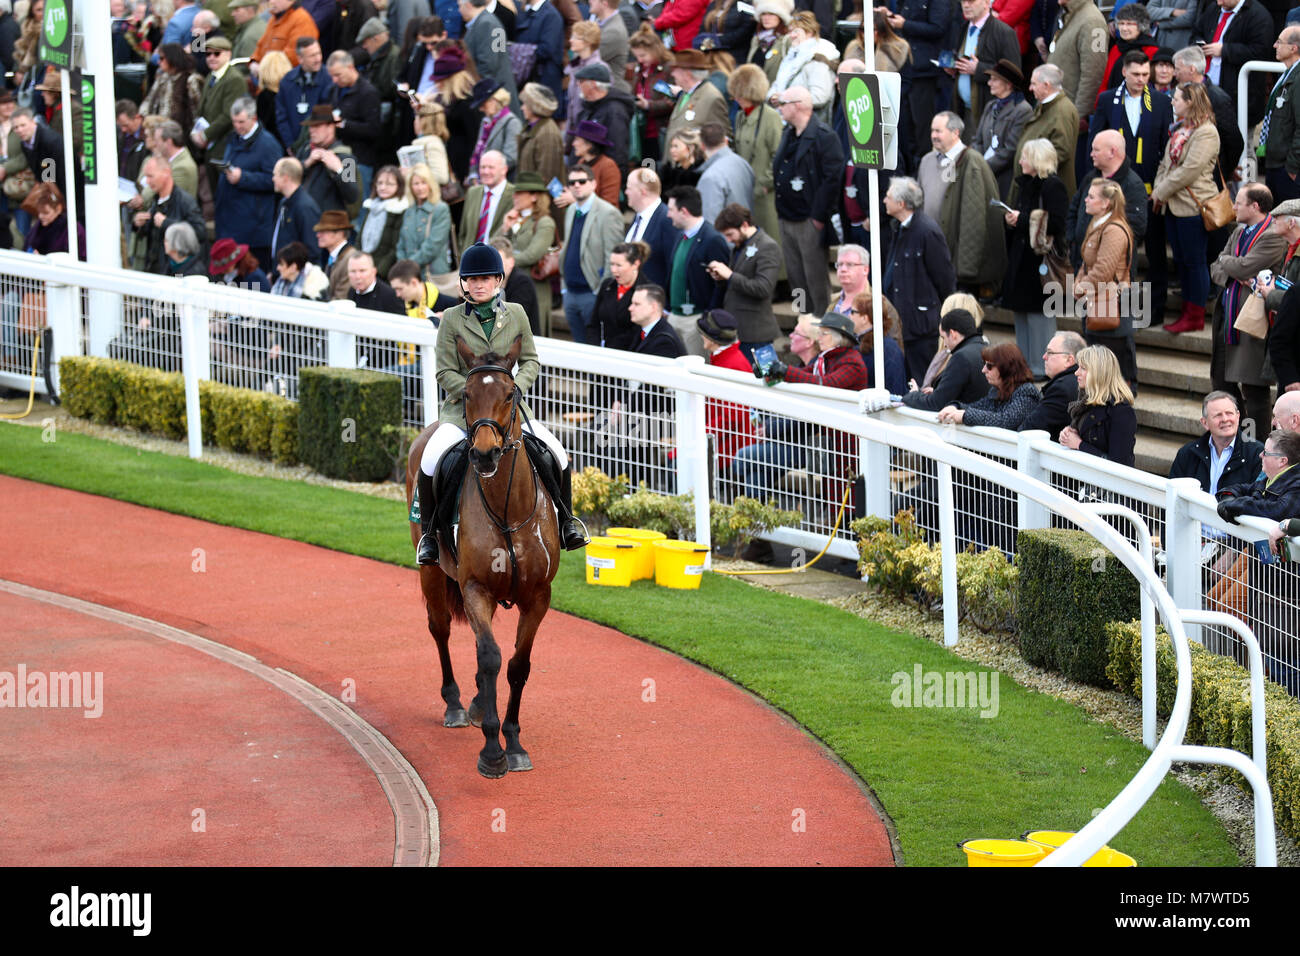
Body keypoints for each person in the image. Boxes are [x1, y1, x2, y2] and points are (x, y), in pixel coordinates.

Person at [413, 241, 588, 566]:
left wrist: (515, 389)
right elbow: (443, 370)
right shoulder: (451, 319)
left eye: (485, 279)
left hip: (510, 409)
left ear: (498, 280)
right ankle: (430, 536)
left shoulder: (517, 313)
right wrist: (474, 394)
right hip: (462, 410)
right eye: (472, 279)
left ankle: (567, 523)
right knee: (431, 458)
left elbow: (532, 361)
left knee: (557, 453)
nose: (478, 285)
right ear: (464, 282)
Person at [1209, 183, 1288, 436]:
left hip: (1253, 322)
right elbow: (1216, 267)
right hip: (1227, 317)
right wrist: (1232, 267)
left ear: (1255, 206)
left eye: (1238, 203)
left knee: (1253, 389)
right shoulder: (1239, 232)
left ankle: (1258, 444)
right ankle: (1236, 439)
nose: (1233, 207)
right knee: (1222, 383)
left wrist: (1231, 264)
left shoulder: (1272, 236)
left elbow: (1243, 267)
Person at [1152, 82, 1220, 334]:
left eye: (1177, 98)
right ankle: (1187, 311)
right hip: (1173, 205)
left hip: (1193, 206)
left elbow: (1189, 171)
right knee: (1181, 260)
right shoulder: (1181, 128)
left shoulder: (1206, 132)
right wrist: (1159, 188)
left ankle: (1195, 315)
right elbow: (1166, 164)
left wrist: (1160, 191)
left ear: (1190, 102)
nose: (1172, 102)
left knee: (1194, 262)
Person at [772, 86, 843, 320]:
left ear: (798, 105)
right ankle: (803, 320)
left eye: (783, 104)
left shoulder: (824, 136)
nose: (779, 108)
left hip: (809, 219)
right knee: (796, 277)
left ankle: (822, 323)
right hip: (787, 216)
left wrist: (818, 217)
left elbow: (833, 178)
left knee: (814, 277)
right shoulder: (788, 133)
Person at [1003, 138, 1068, 379]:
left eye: (1025, 157)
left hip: (1040, 263)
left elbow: (1058, 223)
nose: (1020, 161)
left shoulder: (1052, 186)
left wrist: (1022, 219)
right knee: (1021, 316)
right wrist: (1014, 221)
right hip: (1022, 262)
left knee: (1039, 318)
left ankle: (1042, 367)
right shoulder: (1026, 185)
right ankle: (1026, 366)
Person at [882, 176, 957, 383]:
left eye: (888, 197)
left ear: (901, 204)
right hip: (902, 321)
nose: (883, 201)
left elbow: (945, 278)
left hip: (920, 326)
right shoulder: (898, 227)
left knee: (922, 379)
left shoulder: (927, 231)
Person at [1074, 177, 1139, 389]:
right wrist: (1079, 283)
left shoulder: (1114, 230)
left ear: (1106, 203)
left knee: (1114, 360)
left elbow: (1103, 270)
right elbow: (1087, 263)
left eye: (1091, 196)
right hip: (1097, 301)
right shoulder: (1098, 224)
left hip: (1113, 303)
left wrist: (1079, 288)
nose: (1086, 200)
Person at [559, 163, 624, 344]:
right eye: (572, 182)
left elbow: (614, 257)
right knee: (579, 346)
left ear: (593, 184)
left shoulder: (608, 213)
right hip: (570, 293)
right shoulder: (571, 209)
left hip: (592, 293)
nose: (576, 185)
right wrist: (564, 288)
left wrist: (601, 293)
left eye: (582, 181)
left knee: (595, 347)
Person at [215, 97, 282, 271]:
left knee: (252, 281)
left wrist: (243, 177)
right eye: (234, 122)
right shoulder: (234, 139)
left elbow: (273, 180)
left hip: (253, 229)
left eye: (241, 122)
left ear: (253, 118)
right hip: (231, 222)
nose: (237, 126)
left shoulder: (268, 144)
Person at [708, 203, 781, 362]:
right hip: (739, 331)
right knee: (741, 382)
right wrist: (721, 279)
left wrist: (730, 275)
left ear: (744, 225)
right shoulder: (740, 245)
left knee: (767, 380)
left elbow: (763, 288)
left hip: (757, 333)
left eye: (730, 234)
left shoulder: (768, 246)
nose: (728, 240)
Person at [663, 185, 730, 356]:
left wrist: (706, 318)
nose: (668, 214)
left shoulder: (712, 239)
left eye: (671, 209)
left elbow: (721, 284)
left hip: (696, 320)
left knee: (695, 373)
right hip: (674, 316)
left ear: (684, 211)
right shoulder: (680, 235)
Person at [729, 64, 783, 264]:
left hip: (765, 189)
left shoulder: (770, 117)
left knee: (770, 234)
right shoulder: (742, 116)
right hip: (746, 186)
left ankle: (779, 279)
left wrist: (766, 181)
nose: (736, 98)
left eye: (740, 94)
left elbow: (777, 153)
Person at [1191, 0, 1274, 129]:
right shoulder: (1213, 9)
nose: (1219, 3)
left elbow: (1260, 51)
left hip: (1238, 97)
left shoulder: (1259, 15)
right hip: (1206, 88)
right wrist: (1199, 44)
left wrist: (1225, 50)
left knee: (1239, 145)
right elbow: (1197, 32)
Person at [492, 171, 556, 334]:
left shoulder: (545, 222)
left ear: (534, 196)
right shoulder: (515, 218)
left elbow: (531, 255)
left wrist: (504, 259)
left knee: (532, 332)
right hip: (511, 284)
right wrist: (505, 228)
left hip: (534, 286)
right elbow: (493, 247)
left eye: (520, 193)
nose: (515, 197)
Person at [945, 0, 1022, 132]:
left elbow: (1014, 75)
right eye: (963, 1)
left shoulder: (1004, 32)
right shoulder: (963, 28)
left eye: (971, 1)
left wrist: (978, 69)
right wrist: (954, 69)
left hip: (991, 114)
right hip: (964, 111)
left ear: (987, 3)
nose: (966, 5)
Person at [1169, 391, 1266, 493]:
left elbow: (1257, 501)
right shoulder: (1188, 454)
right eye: (1218, 415)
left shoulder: (1257, 454)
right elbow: (1172, 496)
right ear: (1205, 423)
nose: (1225, 419)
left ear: (1238, 417)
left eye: (1229, 413)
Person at [1008, 64, 1078, 205]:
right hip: (1035, 188)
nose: (1030, 88)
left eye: (1034, 83)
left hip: (1046, 196)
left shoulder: (1062, 112)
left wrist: (1031, 165)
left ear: (1046, 85)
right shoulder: (1045, 106)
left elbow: (1061, 151)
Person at [1058, 344, 1137, 465]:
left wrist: (1079, 444)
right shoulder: (1085, 400)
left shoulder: (1121, 411)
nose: (1076, 373)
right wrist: (1069, 434)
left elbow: (1119, 464)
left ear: (1098, 373)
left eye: (1083, 368)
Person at [937, 342, 1042, 428]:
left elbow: (1007, 421)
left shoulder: (1027, 391)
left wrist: (965, 416)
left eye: (989, 366)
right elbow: (977, 407)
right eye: (984, 364)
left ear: (1007, 368)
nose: (983, 370)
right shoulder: (997, 390)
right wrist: (955, 407)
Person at [901, 308, 988, 411]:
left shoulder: (961, 357)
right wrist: (937, 392)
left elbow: (936, 403)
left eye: (943, 338)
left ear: (953, 334)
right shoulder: (984, 348)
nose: (945, 344)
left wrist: (913, 395)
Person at [133, 156, 207, 275]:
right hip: (154, 269)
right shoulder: (155, 200)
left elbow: (200, 232)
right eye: (146, 176)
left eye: (151, 176)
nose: (147, 181)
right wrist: (138, 224)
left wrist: (166, 223)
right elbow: (153, 234)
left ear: (166, 173)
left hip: (174, 273)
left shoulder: (185, 202)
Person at [971, 58, 1033, 199]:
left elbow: (1010, 150)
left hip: (1003, 179)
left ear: (1008, 84)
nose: (989, 83)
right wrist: (976, 162)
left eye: (994, 79)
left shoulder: (1022, 110)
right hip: (981, 172)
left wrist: (983, 167)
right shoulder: (991, 106)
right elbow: (978, 139)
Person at [326, 51, 382, 199]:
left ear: (350, 67)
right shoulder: (334, 91)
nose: (334, 80)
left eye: (338, 75)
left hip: (356, 159)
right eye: (332, 76)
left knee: (354, 204)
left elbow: (374, 130)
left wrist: (343, 124)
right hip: (338, 156)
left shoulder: (368, 93)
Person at [1255, 26, 1300, 204]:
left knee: (1289, 224)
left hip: (1287, 169)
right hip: (1276, 163)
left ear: (1293, 48)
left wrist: (1292, 167)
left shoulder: (1298, 78)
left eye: (1279, 42)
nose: (1274, 45)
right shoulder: (1288, 74)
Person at [768, 11, 838, 123]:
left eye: (796, 31)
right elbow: (778, 84)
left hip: (807, 125)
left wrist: (784, 99)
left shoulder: (818, 59)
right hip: (785, 122)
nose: (792, 35)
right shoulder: (791, 56)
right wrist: (772, 96)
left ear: (810, 32)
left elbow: (820, 97)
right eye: (790, 31)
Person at [1046, 0, 1108, 124]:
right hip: (1057, 108)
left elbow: (1093, 74)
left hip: (1069, 114)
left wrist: (1079, 115)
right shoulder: (1070, 15)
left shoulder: (1093, 22)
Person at [396, 163, 455, 285]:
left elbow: (432, 246)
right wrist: (403, 264)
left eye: (424, 182)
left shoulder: (440, 209)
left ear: (431, 185)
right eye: (416, 184)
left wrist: (409, 266)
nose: (420, 187)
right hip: (410, 275)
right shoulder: (409, 211)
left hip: (432, 275)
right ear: (410, 187)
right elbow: (401, 243)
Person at [1020, 330, 1085, 440]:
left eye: (1050, 352)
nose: (1044, 357)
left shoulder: (1061, 390)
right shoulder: (1075, 382)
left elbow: (1029, 429)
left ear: (1069, 360)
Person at [623, 167, 680, 289]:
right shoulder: (638, 217)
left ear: (642, 192)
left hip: (653, 299)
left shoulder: (667, 220)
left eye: (629, 188)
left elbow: (673, 266)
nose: (625, 192)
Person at [274, 37, 333, 151]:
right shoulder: (287, 81)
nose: (318, 59)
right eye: (312, 56)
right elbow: (281, 116)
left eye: (319, 53)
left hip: (320, 148)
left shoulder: (329, 79)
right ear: (300, 59)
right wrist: (290, 145)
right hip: (293, 147)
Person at [662, 49, 730, 147]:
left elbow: (724, 138)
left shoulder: (711, 97)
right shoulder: (686, 93)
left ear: (687, 74)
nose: (672, 74)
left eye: (675, 70)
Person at [459, 0, 519, 111]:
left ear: (467, 5)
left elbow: (489, 65)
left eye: (459, 6)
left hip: (494, 94)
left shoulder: (487, 23)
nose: (459, 11)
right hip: (494, 91)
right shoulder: (487, 21)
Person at [629, 23, 676, 157]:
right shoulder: (639, 69)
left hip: (659, 130)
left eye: (643, 55)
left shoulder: (668, 69)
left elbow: (672, 100)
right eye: (637, 56)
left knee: (655, 168)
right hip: (641, 130)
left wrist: (649, 105)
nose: (640, 60)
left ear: (655, 50)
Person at [593, 240, 650, 349]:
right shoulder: (607, 286)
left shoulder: (647, 290)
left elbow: (638, 331)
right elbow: (593, 323)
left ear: (635, 264)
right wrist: (595, 348)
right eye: (612, 264)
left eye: (619, 265)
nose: (614, 270)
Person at [514, 0, 566, 120]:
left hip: (544, 82)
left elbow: (547, 49)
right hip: (529, 80)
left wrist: (522, 52)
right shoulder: (526, 13)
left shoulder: (551, 16)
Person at [356, 165, 411, 279]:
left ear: (399, 186)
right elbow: (360, 238)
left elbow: (395, 247)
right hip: (364, 267)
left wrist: (379, 271)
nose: (383, 187)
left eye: (389, 184)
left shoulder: (399, 209)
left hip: (382, 272)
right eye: (379, 183)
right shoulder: (371, 205)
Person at [696, 122, 754, 225]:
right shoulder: (743, 163)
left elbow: (710, 221)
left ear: (702, 146)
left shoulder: (710, 178)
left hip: (727, 236)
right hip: (744, 231)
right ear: (726, 141)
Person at [140, 44, 204, 137]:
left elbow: (197, 111)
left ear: (172, 58)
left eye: (162, 58)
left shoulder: (191, 79)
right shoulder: (162, 79)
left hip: (183, 134)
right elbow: (148, 102)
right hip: (160, 133)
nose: (158, 62)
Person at [850, 290, 907, 394]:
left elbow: (894, 389)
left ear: (864, 318)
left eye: (853, 312)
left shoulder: (886, 349)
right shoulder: (856, 343)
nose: (850, 316)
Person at [466, 79, 523, 176]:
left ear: (495, 100)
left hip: (501, 181)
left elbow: (511, 158)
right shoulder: (485, 122)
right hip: (484, 181)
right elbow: (477, 152)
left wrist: (487, 173)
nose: (481, 109)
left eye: (483, 104)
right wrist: (473, 175)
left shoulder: (512, 123)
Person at [459, 150, 513, 249]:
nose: (485, 172)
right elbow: (463, 232)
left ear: (504, 170)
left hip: (498, 259)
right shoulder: (472, 193)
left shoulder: (514, 195)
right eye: (482, 167)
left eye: (491, 167)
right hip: (472, 258)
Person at [516, 82, 564, 187]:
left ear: (534, 106)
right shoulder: (530, 128)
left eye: (525, 104)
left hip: (538, 199)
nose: (522, 108)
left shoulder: (548, 133)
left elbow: (546, 176)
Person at [20, 183, 85, 258]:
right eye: (39, 212)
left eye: (46, 213)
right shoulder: (38, 227)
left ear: (58, 209)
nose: (40, 216)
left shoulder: (73, 230)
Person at [567, 119, 622, 206]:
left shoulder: (608, 166)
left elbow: (609, 203)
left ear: (589, 144)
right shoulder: (581, 162)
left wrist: (576, 200)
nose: (573, 144)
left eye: (577, 139)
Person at [253, 0, 320, 67]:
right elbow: (261, 45)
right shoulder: (274, 19)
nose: (271, 2)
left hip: (287, 75)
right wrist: (254, 61)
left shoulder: (302, 20)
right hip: (268, 73)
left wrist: (267, 66)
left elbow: (295, 55)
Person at [315, 208, 361, 299]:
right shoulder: (334, 255)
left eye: (324, 231)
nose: (318, 235)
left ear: (340, 233)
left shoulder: (350, 259)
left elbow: (342, 297)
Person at [588, 0, 631, 91]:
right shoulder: (601, 23)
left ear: (604, 3)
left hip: (609, 92)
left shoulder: (614, 31)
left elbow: (586, 58)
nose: (590, 1)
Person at [411, 99, 453, 188]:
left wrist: (410, 174)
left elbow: (441, 177)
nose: (414, 122)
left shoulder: (432, 144)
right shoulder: (430, 142)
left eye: (416, 118)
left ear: (424, 121)